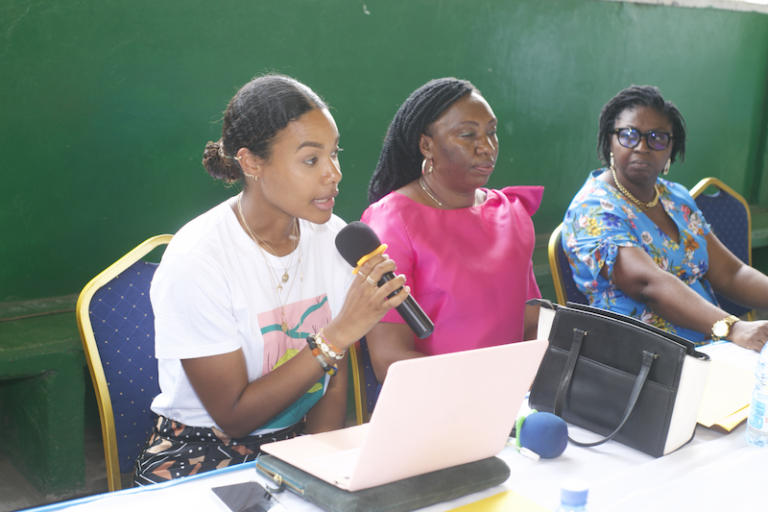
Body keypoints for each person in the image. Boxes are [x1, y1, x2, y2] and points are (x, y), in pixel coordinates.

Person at [133, 74, 409, 485]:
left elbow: (329, 384)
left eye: (335, 154)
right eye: (311, 159)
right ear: (251, 163)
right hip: (203, 452)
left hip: (293, 445)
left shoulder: (332, 237)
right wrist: (338, 335)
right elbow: (235, 417)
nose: (333, 174)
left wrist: (325, 475)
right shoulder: (199, 259)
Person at [361, 78, 544, 382]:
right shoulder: (392, 222)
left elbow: (531, 324)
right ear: (426, 145)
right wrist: (480, 389)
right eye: (467, 134)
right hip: (435, 402)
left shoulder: (509, 212)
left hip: (513, 395)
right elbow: (389, 359)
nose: (487, 147)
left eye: (491, 132)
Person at [562, 85, 768, 351]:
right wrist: (732, 327)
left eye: (657, 138)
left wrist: (727, 331)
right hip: (642, 360)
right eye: (628, 135)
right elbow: (650, 285)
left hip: (710, 344)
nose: (642, 147)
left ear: (672, 148)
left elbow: (730, 273)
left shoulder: (675, 197)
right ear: (609, 141)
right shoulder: (592, 209)